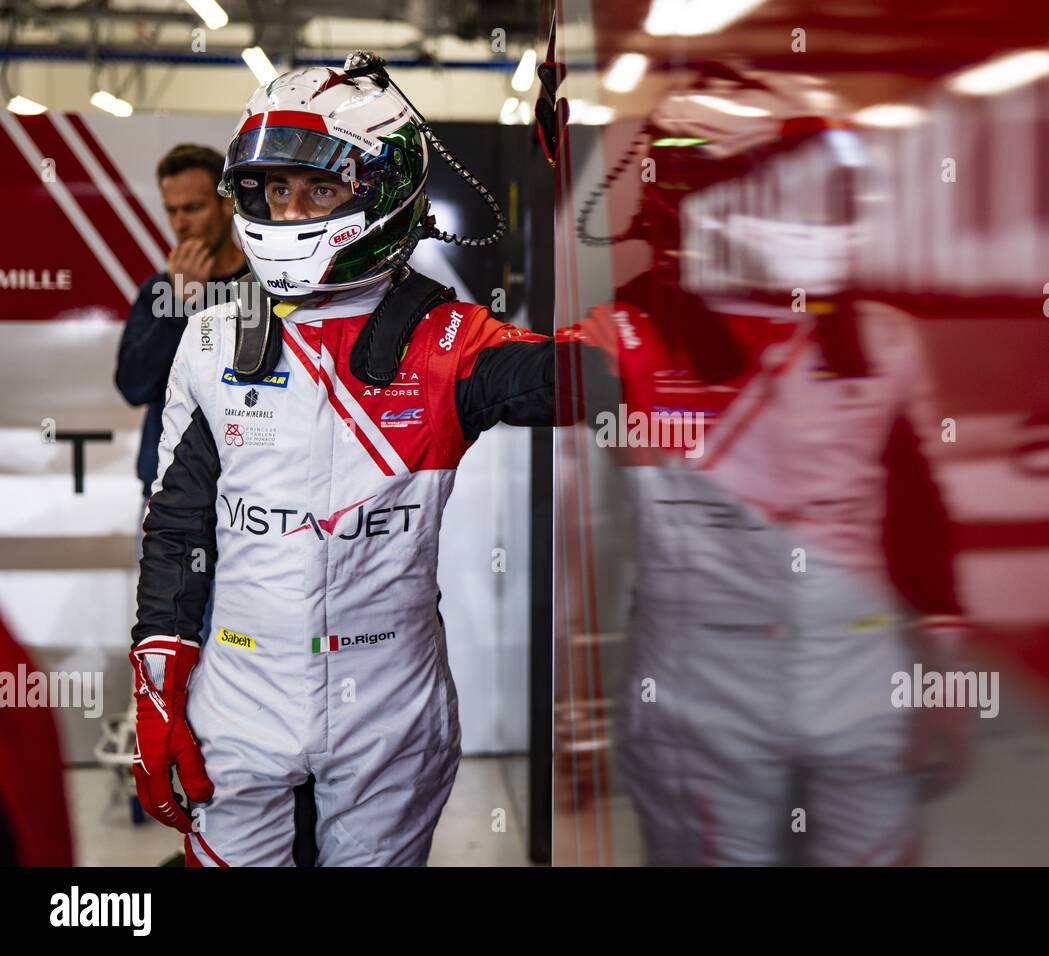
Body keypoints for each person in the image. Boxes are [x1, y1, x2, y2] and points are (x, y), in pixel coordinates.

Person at [128, 53, 555, 866]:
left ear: (384, 191)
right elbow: (178, 524)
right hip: (239, 690)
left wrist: (655, 339)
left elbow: (563, 380)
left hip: (389, 703)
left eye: (321, 189)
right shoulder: (214, 337)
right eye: (274, 190)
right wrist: (157, 692)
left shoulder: (449, 340)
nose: (290, 210)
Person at [556, 64, 970, 864]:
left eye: (834, 191)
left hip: (863, 671)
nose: (825, 215)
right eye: (798, 190)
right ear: (705, 194)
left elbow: (919, 512)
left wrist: (943, 677)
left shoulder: (875, 335)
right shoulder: (631, 331)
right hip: (701, 688)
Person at [115, 144, 247, 499]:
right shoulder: (159, 290)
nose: (180, 224)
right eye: (172, 211)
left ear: (226, 204)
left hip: (246, 490)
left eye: (193, 208)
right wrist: (181, 301)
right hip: (166, 489)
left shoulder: (262, 286)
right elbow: (134, 387)